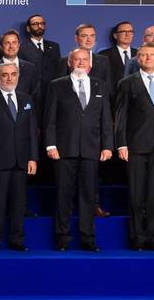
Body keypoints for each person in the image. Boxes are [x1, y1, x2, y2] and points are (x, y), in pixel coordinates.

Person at [42, 48, 112, 251]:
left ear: (90, 64)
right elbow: (50, 119)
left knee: (89, 196)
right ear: (69, 63)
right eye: (76, 60)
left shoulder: (100, 85)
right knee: (63, 195)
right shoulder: (57, 85)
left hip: (92, 149)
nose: (80, 63)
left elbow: (106, 118)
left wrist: (107, 146)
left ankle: (88, 238)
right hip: (64, 149)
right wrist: (51, 144)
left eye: (84, 60)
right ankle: (62, 238)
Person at [114, 45, 154, 251]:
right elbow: (121, 117)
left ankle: (152, 237)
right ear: (137, 59)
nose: (149, 58)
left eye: (152, 55)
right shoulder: (126, 83)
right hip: (135, 147)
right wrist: (121, 143)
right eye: (144, 55)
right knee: (136, 194)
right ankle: (137, 238)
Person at [0, 61, 37, 251]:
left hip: (21, 160)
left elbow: (31, 131)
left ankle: (17, 240)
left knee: (19, 204)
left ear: (18, 77)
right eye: (5, 75)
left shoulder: (27, 99)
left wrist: (32, 158)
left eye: (13, 74)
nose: (9, 78)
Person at [17, 13, 61, 91]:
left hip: (52, 91)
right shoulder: (21, 48)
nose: (39, 26)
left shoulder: (54, 46)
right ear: (28, 28)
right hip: (31, 92)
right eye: (35, 24)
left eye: (42, 24)